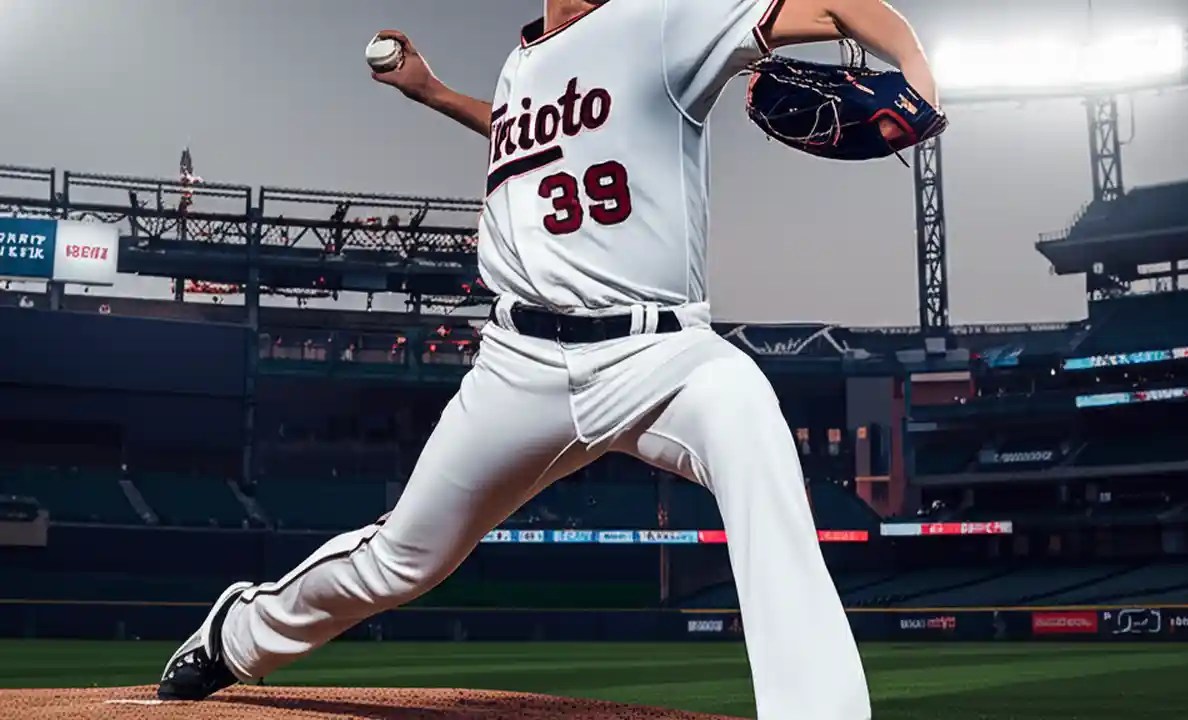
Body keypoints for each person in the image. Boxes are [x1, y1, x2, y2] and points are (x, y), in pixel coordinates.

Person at [158, 1, 937, 717]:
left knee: (753, 432)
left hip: (660, 355)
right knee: (403, 559)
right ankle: (239, 636)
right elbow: (523, 131)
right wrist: (431, 93)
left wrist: (916, 67)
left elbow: (835, 8)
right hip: (518, 364)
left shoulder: (665, 21)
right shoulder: (525, 59)